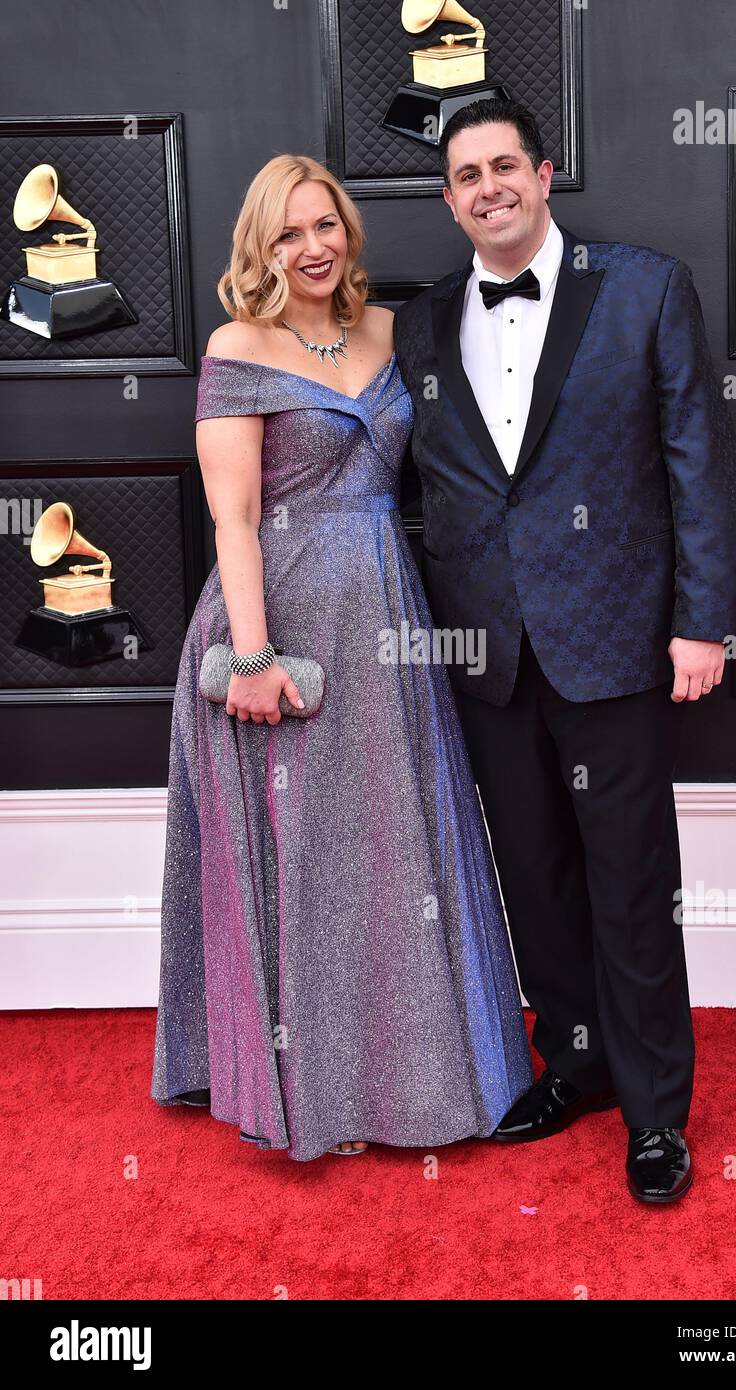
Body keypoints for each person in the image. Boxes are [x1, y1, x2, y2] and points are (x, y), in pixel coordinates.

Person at [394, 98, 736, 1204]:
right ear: (449, 198)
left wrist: (704, 620)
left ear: (544, 174)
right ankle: (578, 1065)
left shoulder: (643, 286)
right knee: (535, 881)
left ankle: (655, 1114)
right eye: (466, 174)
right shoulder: (424, 320)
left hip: (619, 640)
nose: (488, 185)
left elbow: (698, 459)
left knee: (633, 886)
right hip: (488, 650)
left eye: (505, 164)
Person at [150, 153, 534, 1161]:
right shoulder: (240, 345)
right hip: (280, 619)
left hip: (384, 612)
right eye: (290, 233)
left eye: (326, 226)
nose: (313, 247)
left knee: (391, 848)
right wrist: (254, 655)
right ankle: (306, 1092)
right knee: (304, 859)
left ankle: (415, 1085)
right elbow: (232, 519)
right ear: (261, 247)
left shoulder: (388, 334)